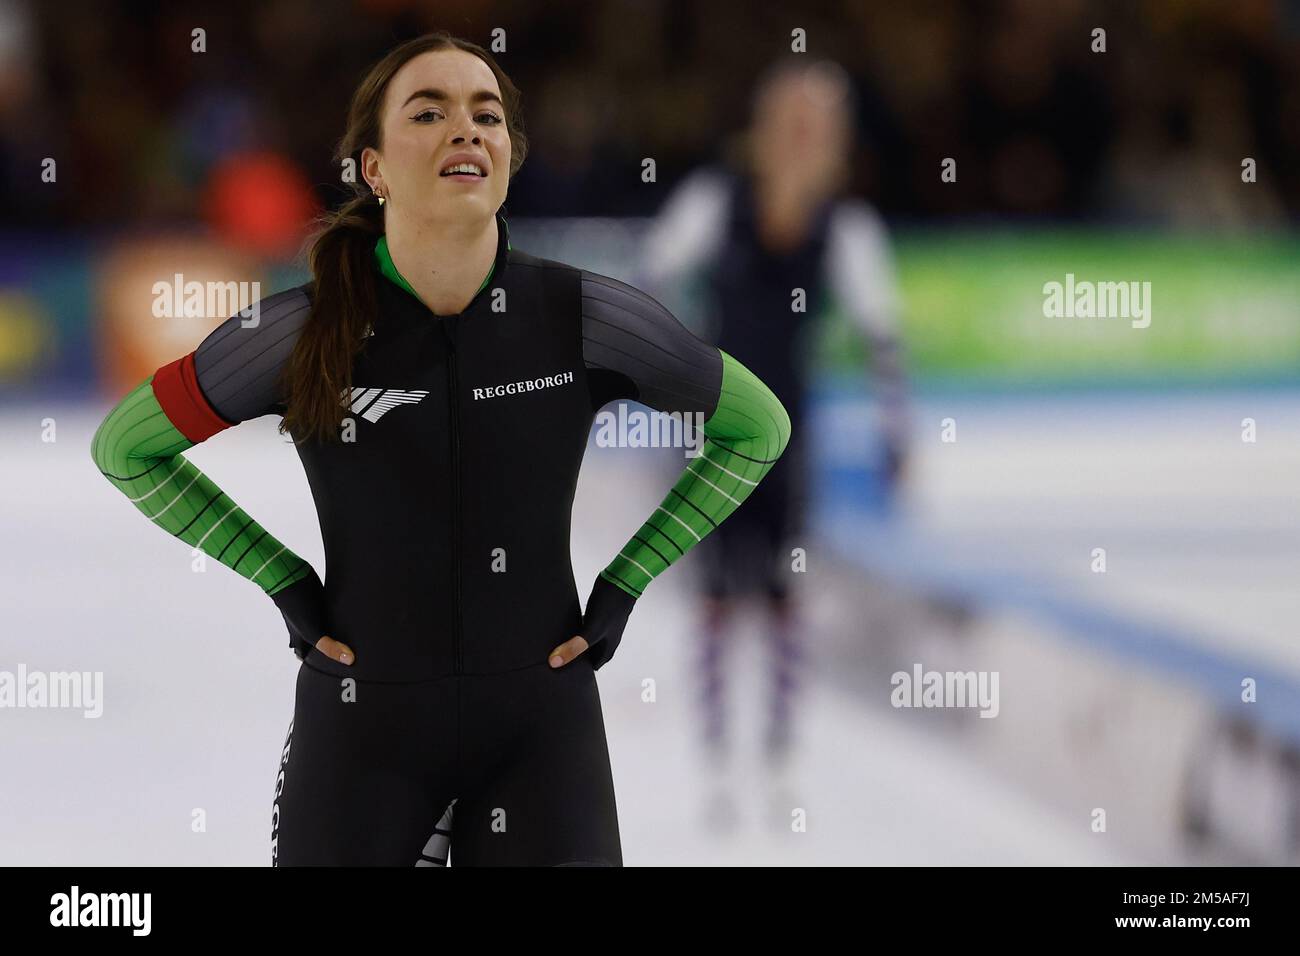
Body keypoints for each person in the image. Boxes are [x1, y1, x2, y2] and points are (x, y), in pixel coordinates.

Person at [88, 32, 790, 867]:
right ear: (375, 168)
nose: (466, 129)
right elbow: (127, 447)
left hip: (541, 736)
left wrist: (627, 580)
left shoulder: (585, 316)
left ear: (507, 156)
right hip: (362, 736)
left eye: (486, 114)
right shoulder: (302, 331)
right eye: (430, 112)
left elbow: (761, 428)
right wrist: (282, 579)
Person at [637, 57, 909, 790]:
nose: (802, 140)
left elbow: (883, 335)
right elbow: (649, 289)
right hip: (716, 437)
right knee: (718, 594)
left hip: (789, 441)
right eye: (792, 124)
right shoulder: (714, 202)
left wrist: (898, 433)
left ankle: (781, 748)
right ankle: (716, 750)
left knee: (787, 591)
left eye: (816, 128)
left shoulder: (843, 227)